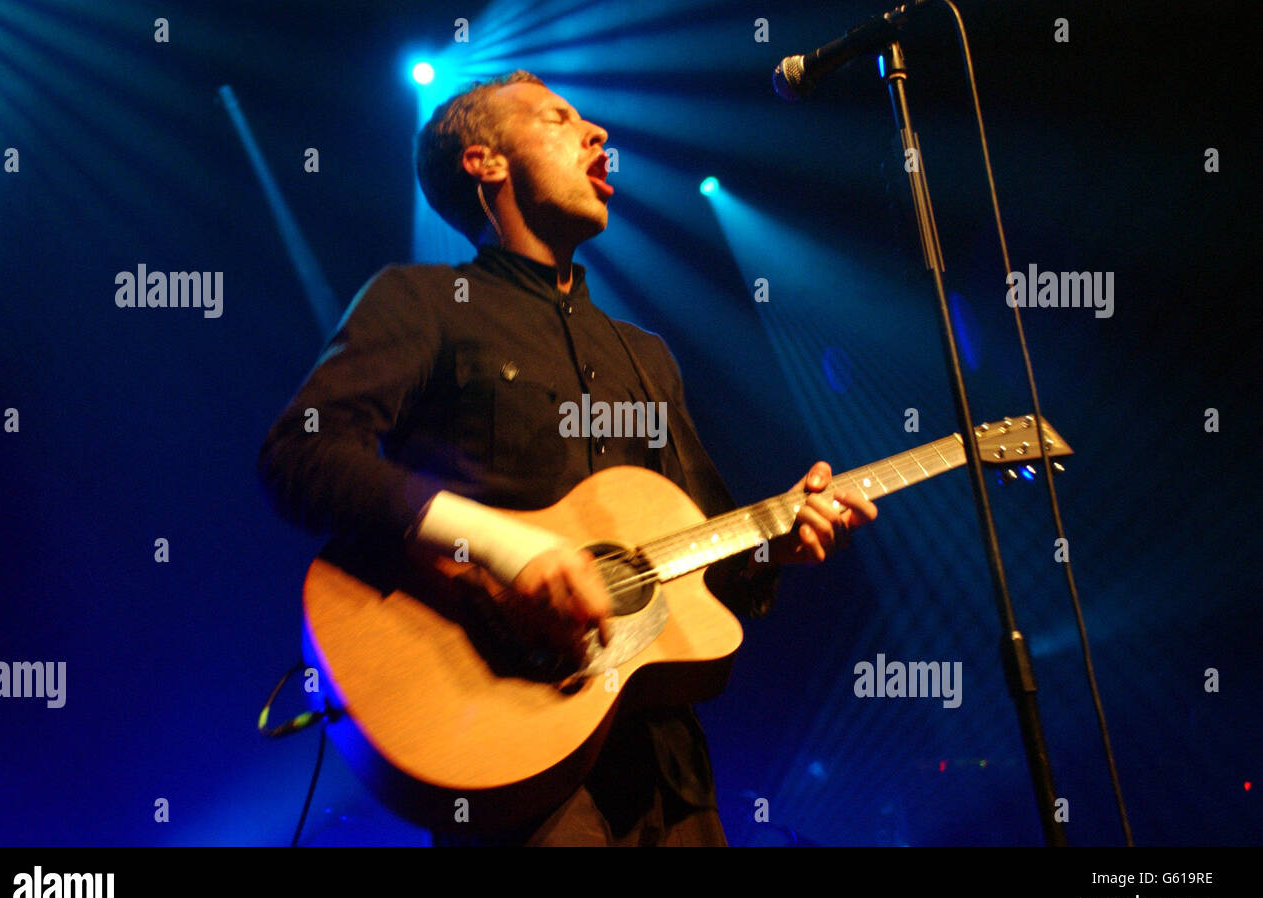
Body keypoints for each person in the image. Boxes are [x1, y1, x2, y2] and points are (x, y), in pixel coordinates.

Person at [257, 70, 877, 846]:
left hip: (670, 773)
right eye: (559, 118)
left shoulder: (645, 355)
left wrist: (776, 544)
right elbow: (299, 453)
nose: (598, 135)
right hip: (512, 767)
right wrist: (502, 548)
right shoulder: (418, 301)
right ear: (485, 163)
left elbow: (707, 559)